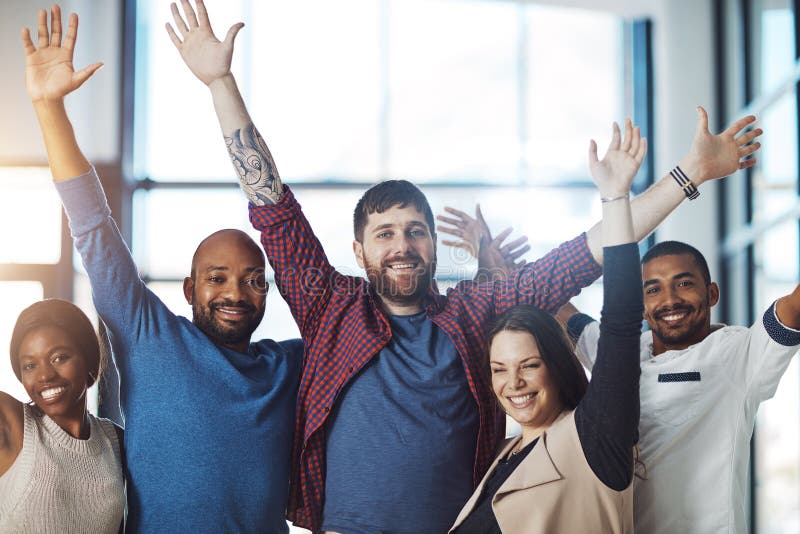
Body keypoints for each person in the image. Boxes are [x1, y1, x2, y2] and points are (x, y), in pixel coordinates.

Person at [167, 2, 762, 530]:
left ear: (433, 246)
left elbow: (582, 256)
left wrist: (689, 177)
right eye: (385, 234)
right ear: (360, 252)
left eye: (416, 231)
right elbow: (273, 208)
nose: (402, 245)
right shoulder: (331, 307)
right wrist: (220, 83)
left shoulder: (475, 313)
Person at [22, 6, 302, 533]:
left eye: (252, 279)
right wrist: (48, 108)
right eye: (217, 278)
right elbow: (93, 226)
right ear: (189, 289)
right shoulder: (150, 335)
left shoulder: (287, 366)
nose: (235, 292)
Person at [449, 118, 644, 534]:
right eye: (499, 369)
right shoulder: (504, 455)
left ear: (557, 364)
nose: (513, 383)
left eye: (529, 365)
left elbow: (622, 324)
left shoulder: (594, 438)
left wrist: (615, 199)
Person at [561, 241, 800, 533]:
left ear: (712, 293)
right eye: (653, 289)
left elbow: (793, 307)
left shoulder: (738, 354)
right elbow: (570, 320)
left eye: (683, 283)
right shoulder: (621, 353)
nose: (669, 300)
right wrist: (499, 272)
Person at [0, 299, 124, 533]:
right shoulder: (12, 423)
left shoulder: (116, 440)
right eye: (29, 366)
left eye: (59, 358)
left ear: (87, 358)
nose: (45, 376)